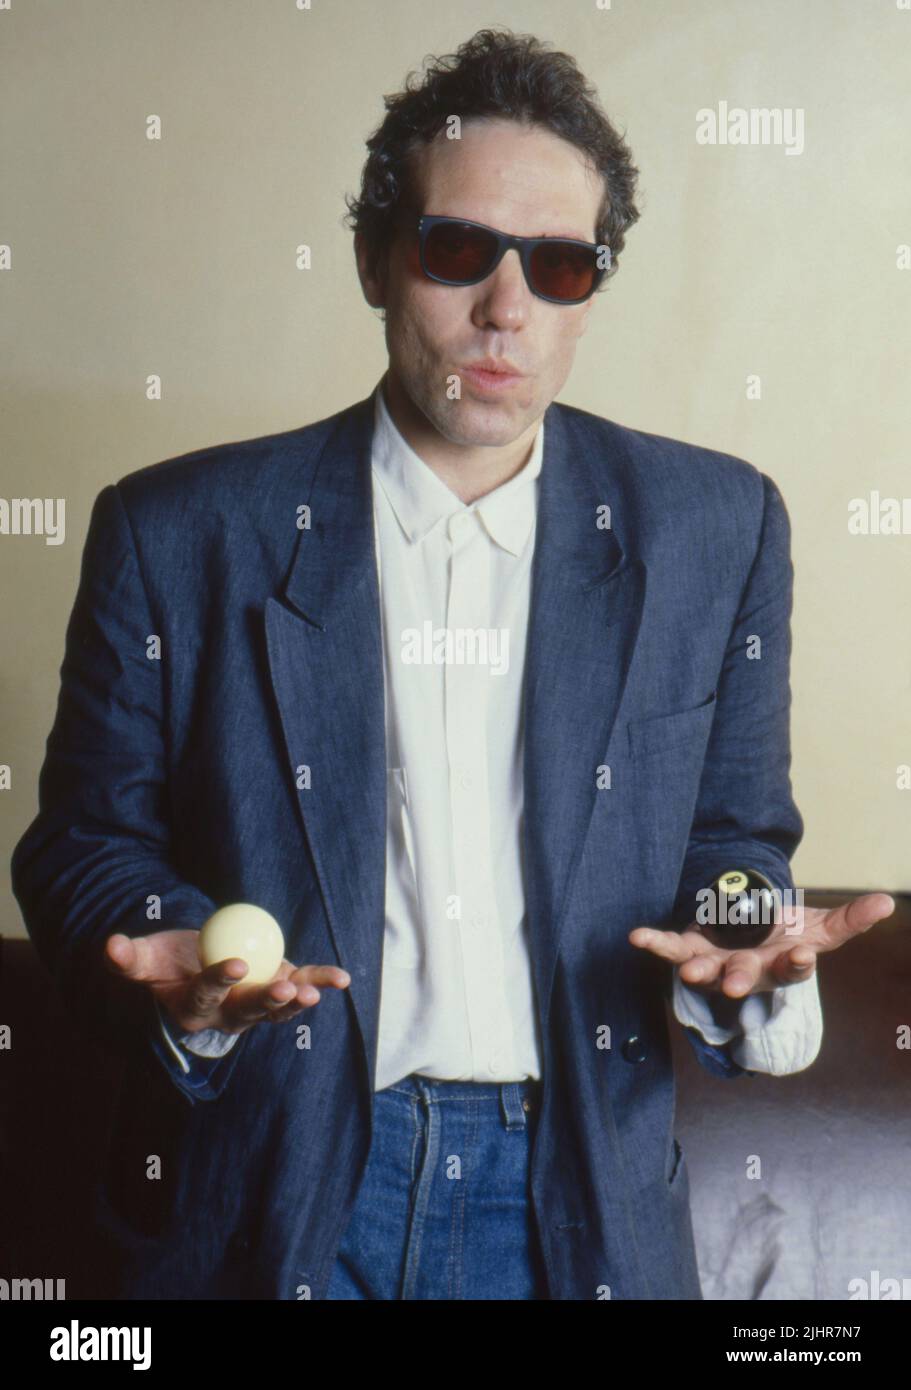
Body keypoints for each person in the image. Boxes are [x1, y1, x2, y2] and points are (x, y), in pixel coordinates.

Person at [11, 28, 894, 1301]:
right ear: (375, 260)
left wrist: (744, 930)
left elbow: (731, 835)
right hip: (280, 1188)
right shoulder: (177, 529)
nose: (505, 309)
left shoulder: (717, 525)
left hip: (580, 1196)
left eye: (558, 266)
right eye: (455, 251)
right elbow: (84, 843)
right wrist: (182, 968)